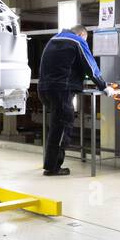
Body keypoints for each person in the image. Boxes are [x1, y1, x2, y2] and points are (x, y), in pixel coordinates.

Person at [37, 24, 111, 176]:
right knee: (62, 127)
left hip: (44, 89)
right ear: (82, 34)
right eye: (85, 39)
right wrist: (103, 86)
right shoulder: (77, 41)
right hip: (61, 89)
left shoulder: (54, 39)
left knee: (56, 128)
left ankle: (50, 164)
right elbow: (90, 65)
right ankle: (53, 167)